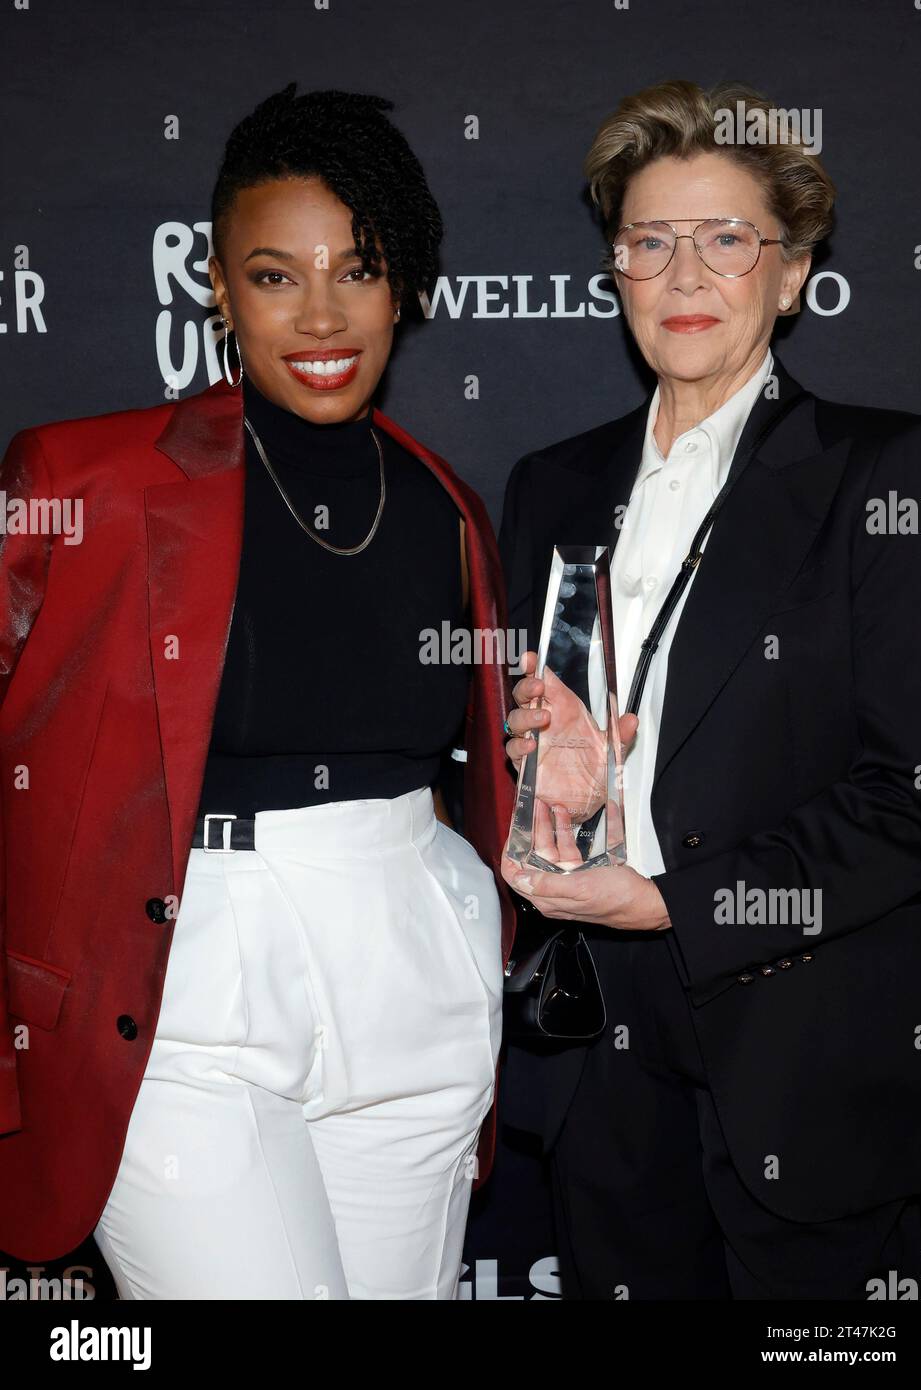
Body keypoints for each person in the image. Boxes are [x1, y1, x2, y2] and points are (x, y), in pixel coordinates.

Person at [0, 83, 516, 1299]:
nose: (322, 314)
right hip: (178, 982)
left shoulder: (450, 509)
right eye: (276, 275)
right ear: (219, 289)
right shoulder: (85, 479)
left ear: (409, 288)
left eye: (361, 270)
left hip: (417, 960)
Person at [497, 78, 921, 1300]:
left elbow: (915, 800)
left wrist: (678, 904)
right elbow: (534, 737)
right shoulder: (550, 482)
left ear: (790, 272)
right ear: (616, 270)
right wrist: (550, 785)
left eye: (725, 239)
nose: (685, 275)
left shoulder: (884, 471)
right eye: (651, 242)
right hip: (601, 1048)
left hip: (805, 1051)